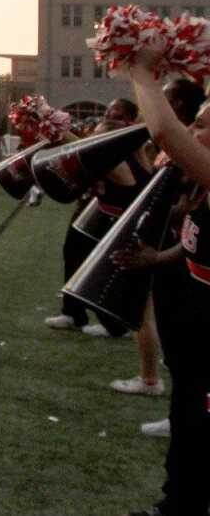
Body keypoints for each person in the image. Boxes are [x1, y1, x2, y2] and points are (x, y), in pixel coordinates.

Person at [116, 59, 210, 516]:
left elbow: (166, 131)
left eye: (203, 125)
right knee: (189, 415)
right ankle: (178, 505)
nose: (195, 130)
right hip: (196, 303)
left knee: (200, 421)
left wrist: (139, 66)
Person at [45, 97, 148, 338]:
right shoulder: (127, 156)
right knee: (77, 259)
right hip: (103, 218)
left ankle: (115, 325)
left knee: (102, 275)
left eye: (99, 138)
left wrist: (51, 123)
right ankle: (76, 314)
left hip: (116, 226)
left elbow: (82, 150)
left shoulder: (119, 165)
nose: (94, 140)